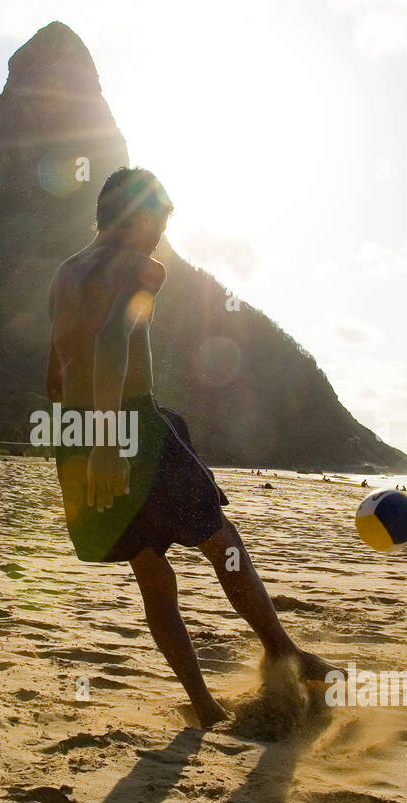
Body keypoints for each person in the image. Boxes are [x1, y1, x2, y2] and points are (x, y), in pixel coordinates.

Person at [46, 167, 336, 728]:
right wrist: (110, 440)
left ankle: (204, 705)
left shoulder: (65, 272)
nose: (160, 236)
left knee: (151, 573)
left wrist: (83, 436)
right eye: (158, 222)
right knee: (219, 538)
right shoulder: (140, 267)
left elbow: (56, 368)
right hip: (127, 431)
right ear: (142, 218)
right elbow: (112, 344)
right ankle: (283, 651)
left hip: (75, 433)